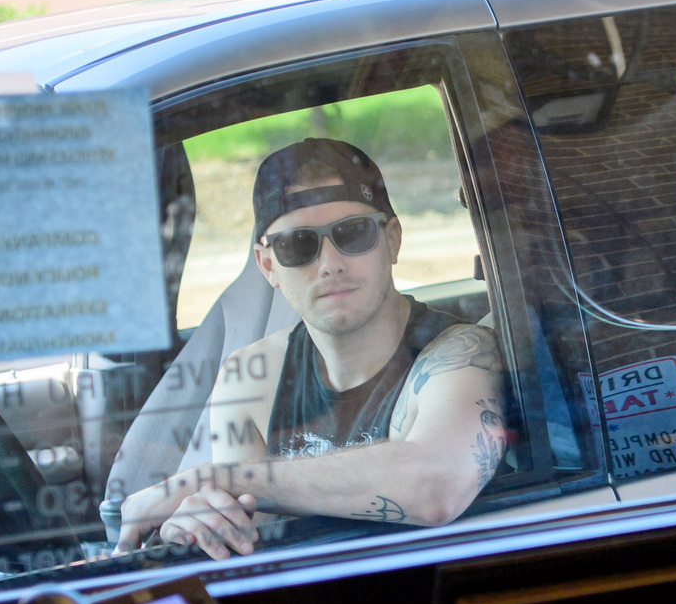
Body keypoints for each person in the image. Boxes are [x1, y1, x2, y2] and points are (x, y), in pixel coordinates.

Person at [114, 139, 506, 558]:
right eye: (298, 245)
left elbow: (438, 485)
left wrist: (214, 478)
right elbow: (248, 536)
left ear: (392, 240)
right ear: (268, 267)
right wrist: (201, 521)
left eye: (353, 234)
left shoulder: (460, 355)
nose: (330, 263)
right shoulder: (250, 374)